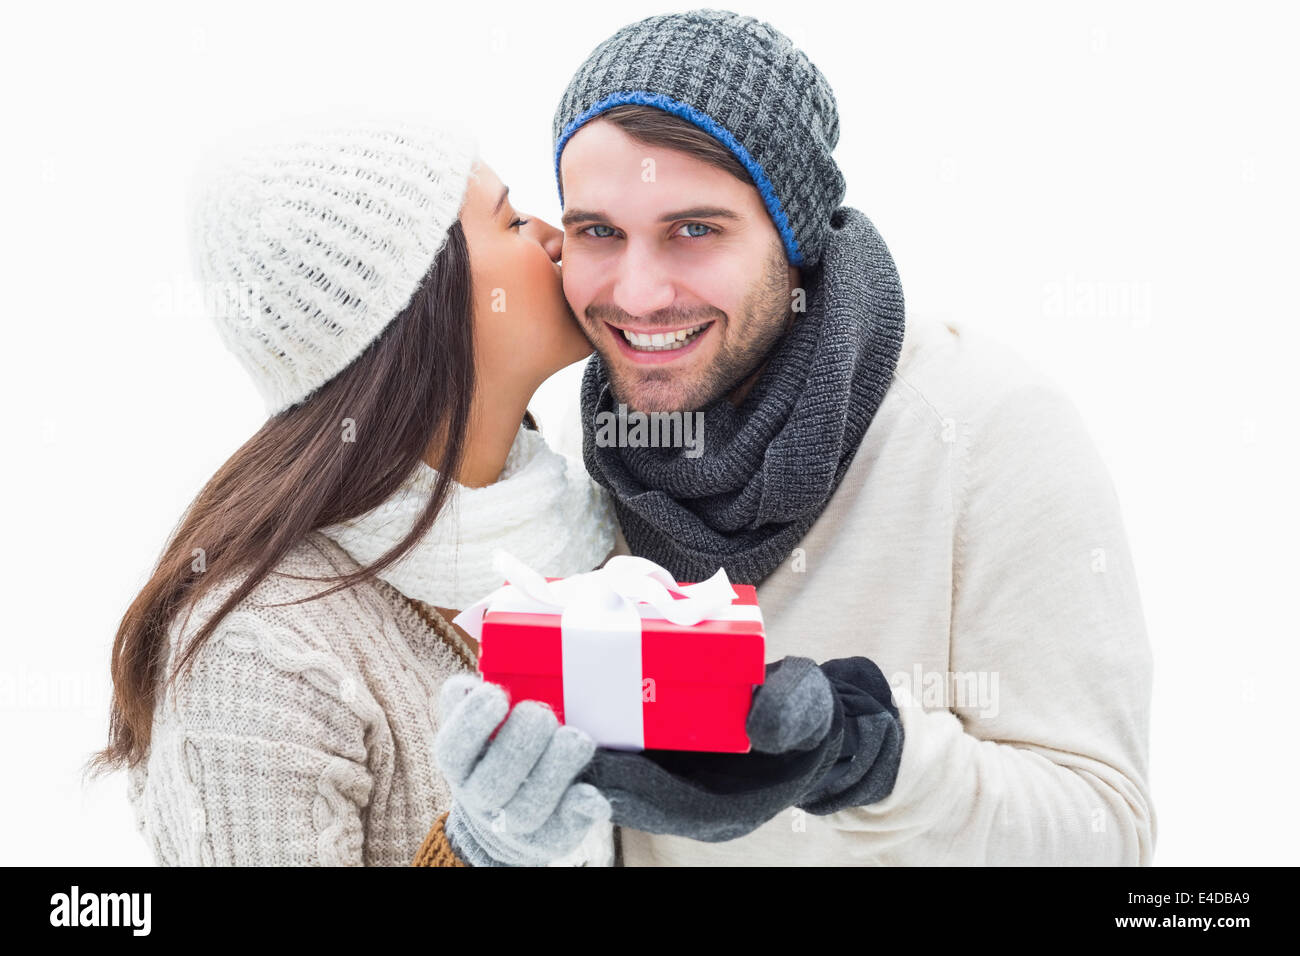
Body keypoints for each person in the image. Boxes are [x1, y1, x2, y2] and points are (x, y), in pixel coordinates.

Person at [548, 10, 1157, 865]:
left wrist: (872, 763)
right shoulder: (601, 457)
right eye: (599, 233)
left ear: (793, 239)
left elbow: (1107, 832)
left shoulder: (985, 429)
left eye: (695, 230)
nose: (639, 295)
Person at [84, 112, 623, 866]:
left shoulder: (591, 537)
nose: (555, 238)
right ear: (419, 306)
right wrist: (475, 854)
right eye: (510, 221)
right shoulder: (261, 650)